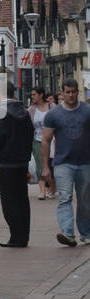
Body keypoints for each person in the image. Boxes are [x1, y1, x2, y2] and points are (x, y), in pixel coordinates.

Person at [40, 78, 90, 247]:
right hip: (63, 163)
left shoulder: (87, 111)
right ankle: (68, 234)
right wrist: (45, 167)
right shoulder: (53, 115)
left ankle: (86, 233)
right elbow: (45, 140)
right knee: (65, 197)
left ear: (78, 91)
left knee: (85, 200)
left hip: (85, 162)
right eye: (67, 92)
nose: (71, 95)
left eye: (74, 92)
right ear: (62, 92)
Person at [0, 81, 34, 248]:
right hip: (21, 161)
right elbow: (30, 134)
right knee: (22, 199)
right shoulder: (23, 111)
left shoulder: (0, 111)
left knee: (9, 201)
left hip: (6, 162)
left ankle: (15, 236)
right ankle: (23, 235)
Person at [29, 88, 52, 199]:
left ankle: (50, 188)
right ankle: (42, 191)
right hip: (37, 140)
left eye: (34, 94)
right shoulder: (31, 110)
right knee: (40, 166)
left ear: (41, 95)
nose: (32, 96)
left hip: (52, 141)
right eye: (31, 95)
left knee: (51, 165)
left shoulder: (52, 107)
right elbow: (28, 127)